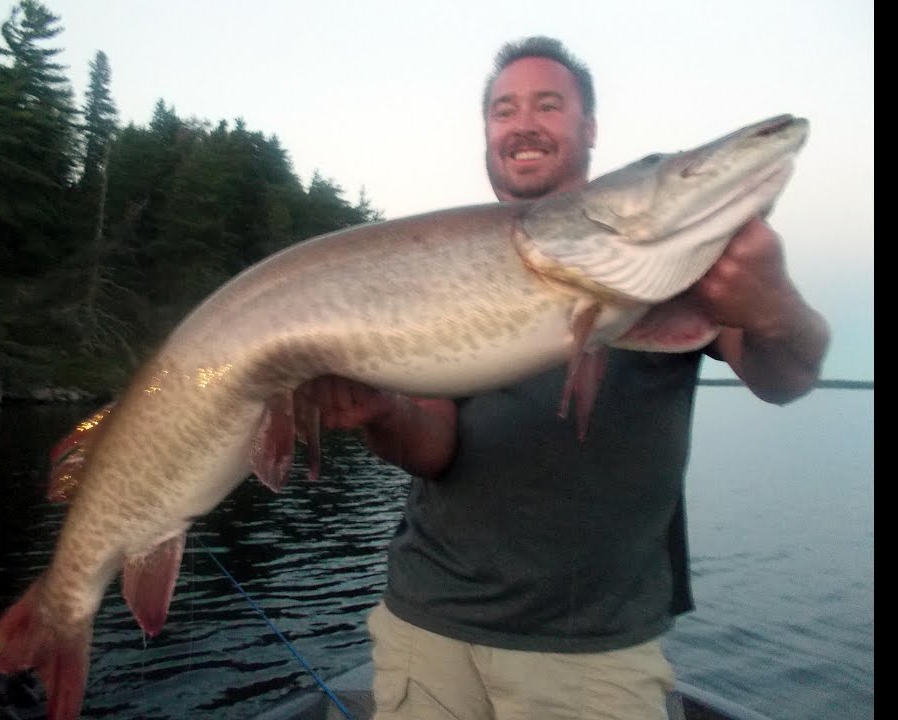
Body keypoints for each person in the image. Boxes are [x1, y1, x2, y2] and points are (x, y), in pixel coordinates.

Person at [300, 36, 831, 720]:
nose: (523, 123)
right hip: (427, 623)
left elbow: (789, 376)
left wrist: (773, 300)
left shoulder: (678, 250)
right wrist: (379, 410)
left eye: (548, 105)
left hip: (593, 652)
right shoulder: (440, 269)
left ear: (589, 131)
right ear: (489, 134)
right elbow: (432, 449)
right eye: (503, 109)